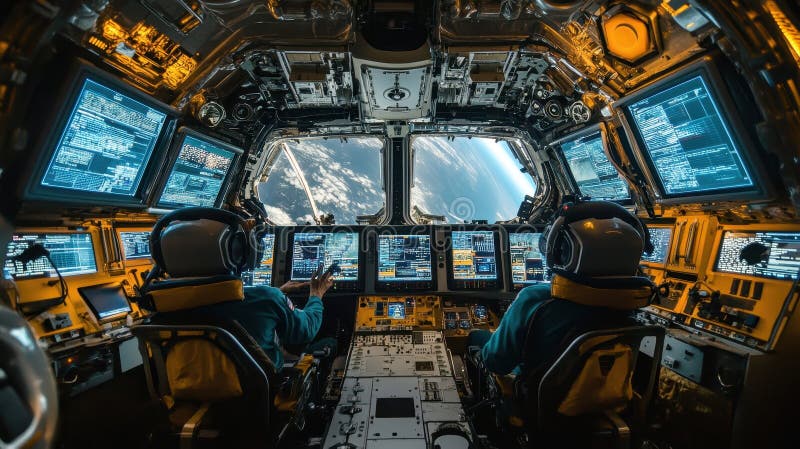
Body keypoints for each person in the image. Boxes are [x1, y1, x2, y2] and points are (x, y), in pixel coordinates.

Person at [468, 200, 653, 377]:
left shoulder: (536, 299)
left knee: (476, 337)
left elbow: (496, 363)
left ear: (564, 251)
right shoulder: (633, 306)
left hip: (536, 400)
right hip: (603, 401)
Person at [192, 265, 335, 369]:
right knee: (331, 342)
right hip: (259, 390)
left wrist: (277, 293)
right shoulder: (266, 297)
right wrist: (316, 294)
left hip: (191, 392)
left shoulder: (173, 301)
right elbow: (307, 329)